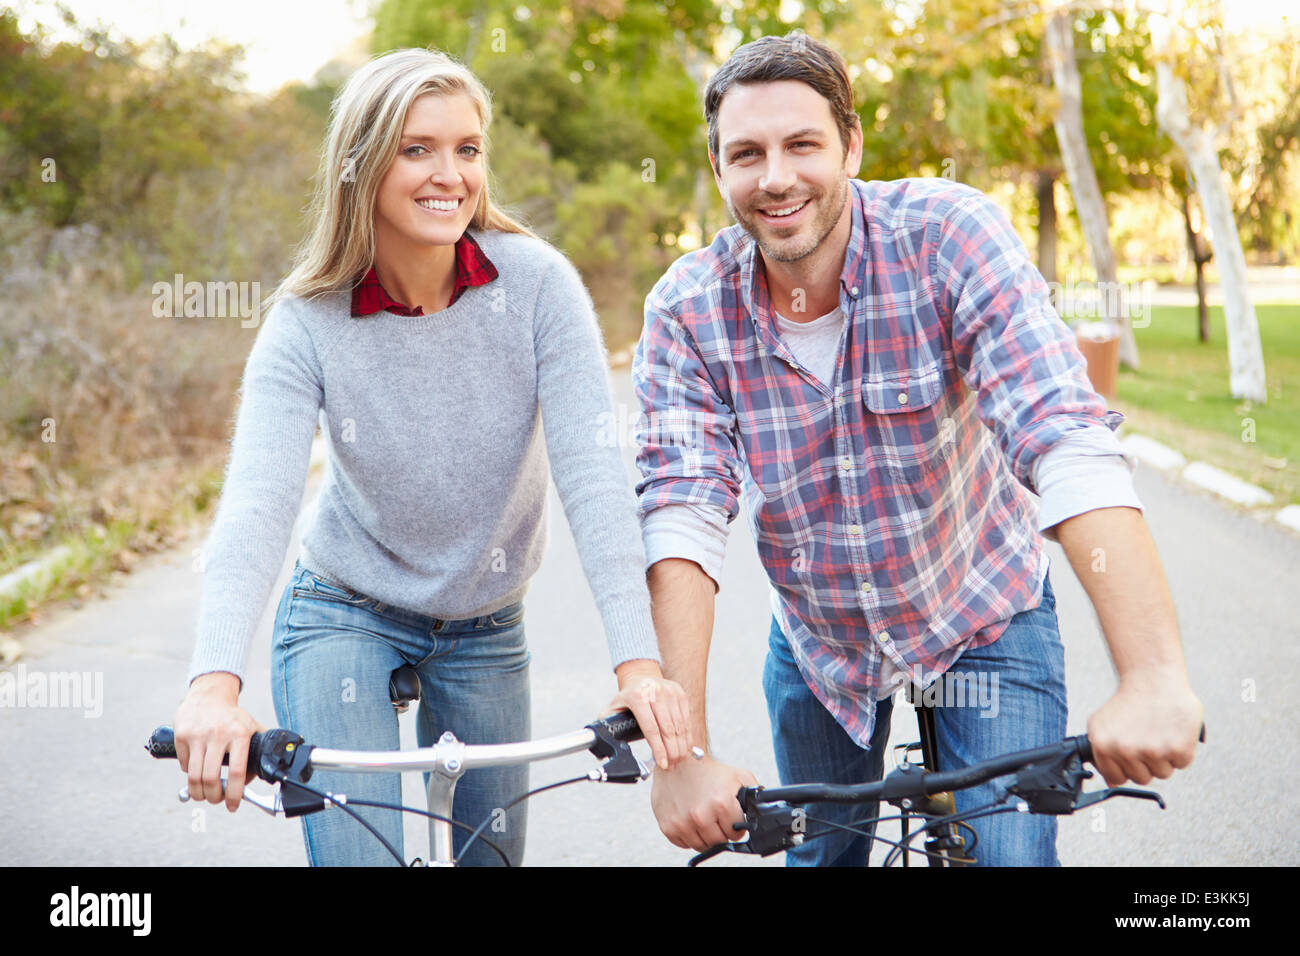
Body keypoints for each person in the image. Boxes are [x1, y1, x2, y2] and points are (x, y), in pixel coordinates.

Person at [633, 32, 1203, 865]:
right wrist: (678, 760)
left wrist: (1152, 674)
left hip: (982, 611)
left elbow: (1064, 436)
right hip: (822, 643)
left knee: (1008, 859)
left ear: (852, 145)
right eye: (746, 153)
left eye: (803, 144)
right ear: (718, 167)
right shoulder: (688, 309)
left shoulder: (948, 235)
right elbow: (681, 516)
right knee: (823, 857)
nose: (776, 176)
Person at [173, 47, 688, 866]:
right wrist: (213, 686)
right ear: (362, 164)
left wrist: (641, 666)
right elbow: (258, 501)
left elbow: (593, 480)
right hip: (344, 609)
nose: (450, 174)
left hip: (487, 624)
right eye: (417, 149)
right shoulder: (305, 320)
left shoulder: (540, 288)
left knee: (492, 858)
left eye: (468, 149)